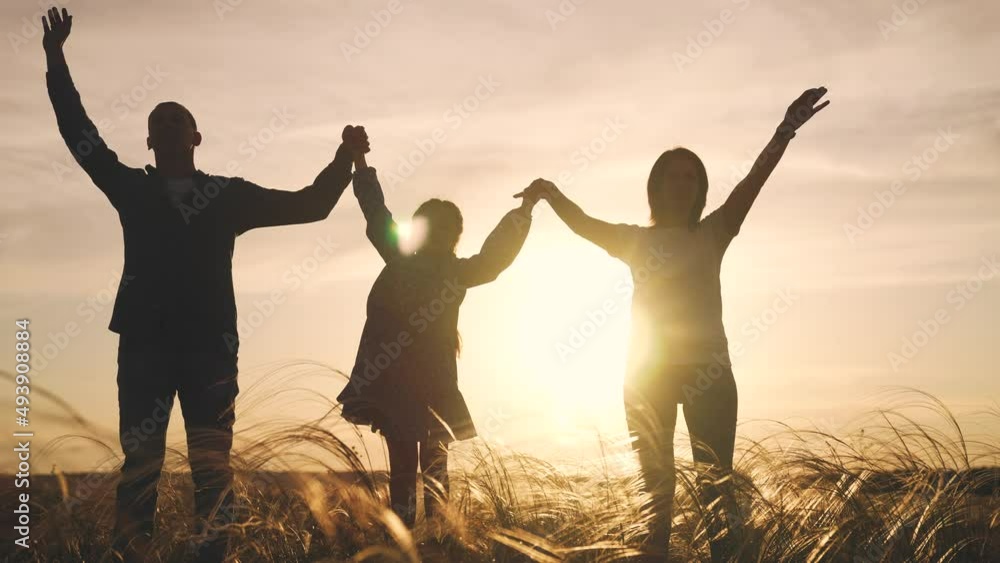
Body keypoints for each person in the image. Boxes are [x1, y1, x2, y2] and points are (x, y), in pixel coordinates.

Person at [41, 7, 369, 562]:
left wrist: (343, 159)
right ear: (148, 141)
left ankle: (213, 555)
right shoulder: (131, 190)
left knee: (213, 466)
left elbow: (309, 206)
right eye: (159, 120)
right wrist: (55, 59)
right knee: (141, 463)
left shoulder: (226, 196)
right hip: (144, 343)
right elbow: (80, 134)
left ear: (196, 136)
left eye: (178, 118)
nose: (168, 124)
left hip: (210, 348)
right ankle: (132, 553)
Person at [517, 88, 829, 561]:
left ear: (701, 189)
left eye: (692, 177)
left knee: (716, 493)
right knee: (656, 501)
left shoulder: (714, 232)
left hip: (711, 374)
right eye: (673, 176)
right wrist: (549, 191)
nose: (683, 184)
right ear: (656, 188)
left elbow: (754, 180)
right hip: (649, 375)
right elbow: (582, 222)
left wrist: (786, 128)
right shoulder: (633, 241)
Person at [337, 134, 539, 525]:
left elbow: (495, 256)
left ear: (453, 235)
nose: (442, 233)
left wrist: (526, 208)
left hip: (427, 381)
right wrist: (359, 163)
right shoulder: (412, 261)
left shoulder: (446, 269)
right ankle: (417, 540)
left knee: (430, 470)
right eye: (436, 226)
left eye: (449, 228)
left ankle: (434, 539)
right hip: (402, 379)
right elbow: (376, 212)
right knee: (418, 469)